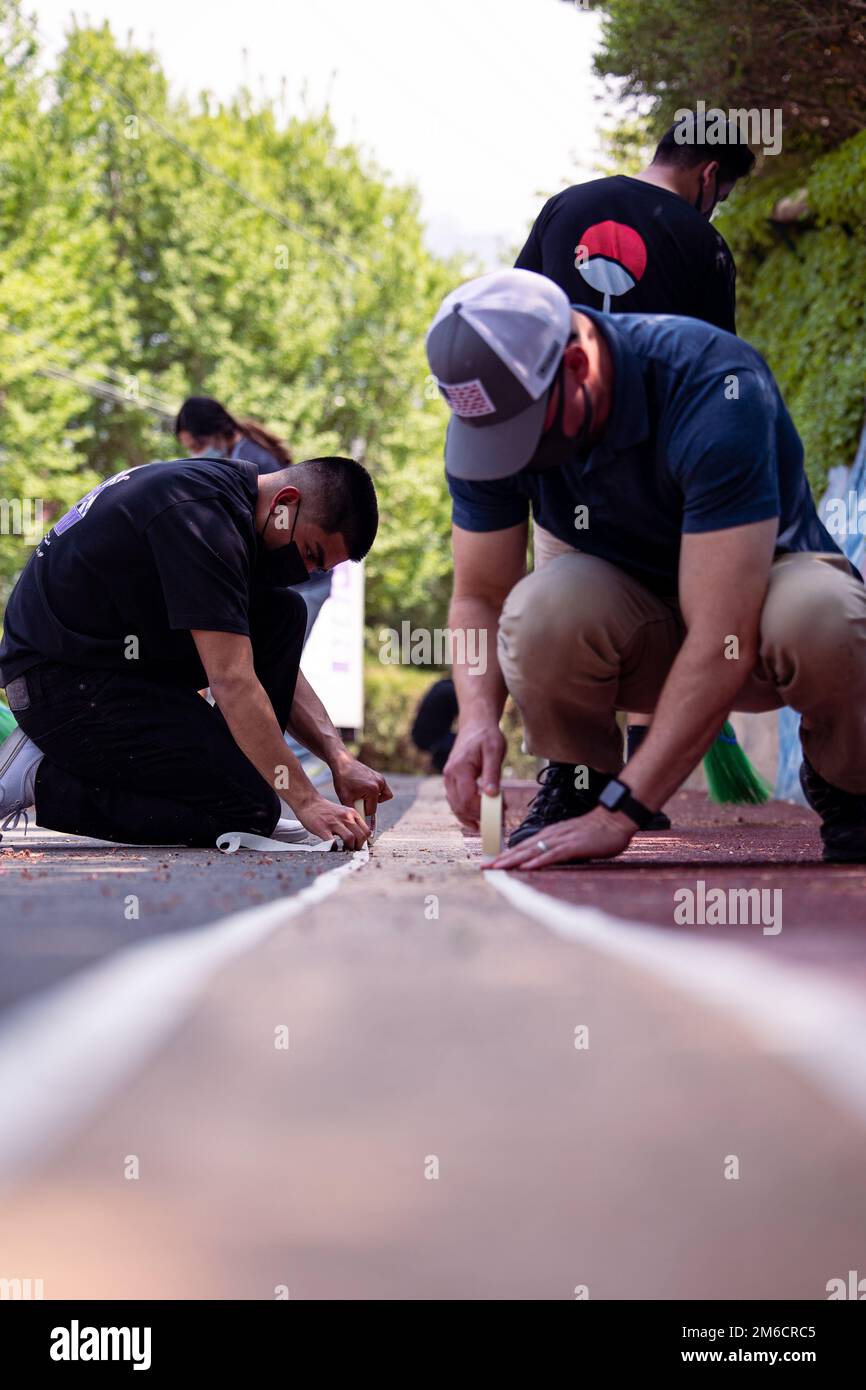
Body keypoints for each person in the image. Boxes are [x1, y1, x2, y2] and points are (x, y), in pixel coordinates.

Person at [425, 268, 866, 867]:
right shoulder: (496, 413)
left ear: (579, 365)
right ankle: (580, 781)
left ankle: (850, 783)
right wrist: (476, 720)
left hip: (756, 619)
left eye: (531, 436)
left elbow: (723, 638)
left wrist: (625, 814)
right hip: (643, 627)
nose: (515, 456)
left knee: (822, 618)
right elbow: (479, 596)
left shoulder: (714, 385)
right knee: (541, 612)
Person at [516, 119, 756, 808]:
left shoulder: (566, 208)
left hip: (561, 469)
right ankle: (638, 788)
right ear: (710, 175)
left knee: (562, 616)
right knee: (665, 616)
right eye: (725, 191)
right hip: (666, 483)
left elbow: (516, 321)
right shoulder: (702, 242)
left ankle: (576, 778)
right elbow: (720, 378)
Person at [0, 454, 391, 847]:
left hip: (107, 663)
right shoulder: (201, 521)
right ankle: (40, 776)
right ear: (285, 505)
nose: (305, 572)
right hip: (56, 682)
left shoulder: (229, 500)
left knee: (282, 612)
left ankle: (233, 787)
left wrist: (338, 757)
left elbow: (260, 658)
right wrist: (306, 801)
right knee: (249, 809)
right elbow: (233, 679)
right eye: (310, 553)